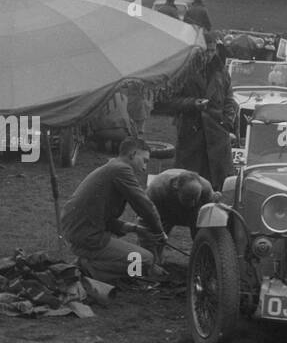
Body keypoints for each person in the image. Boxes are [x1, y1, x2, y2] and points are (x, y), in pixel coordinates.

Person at [60, 137, 167, 285]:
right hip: (87, 236)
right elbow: (145, 206)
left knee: (140, 261)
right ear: (132, 154)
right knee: (145, 259)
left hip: (79, 231)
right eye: (144, 161)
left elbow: (103, 217)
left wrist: (135, 229)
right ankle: (88, 268)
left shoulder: (112, 167)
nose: (144, 168)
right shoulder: (121, 169)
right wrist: (159, 232)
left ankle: (92, 264)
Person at [155, 48, 238, 185]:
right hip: (191, 133)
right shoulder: (184, 71)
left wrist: (227, 121)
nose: (208, 54)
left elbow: (229, 99)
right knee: (188, 181)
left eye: (212, 50)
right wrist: (192, 103)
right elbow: (167, 100)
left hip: (218, 134)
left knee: (219, 182)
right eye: (205, 50)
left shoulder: (221, 71)